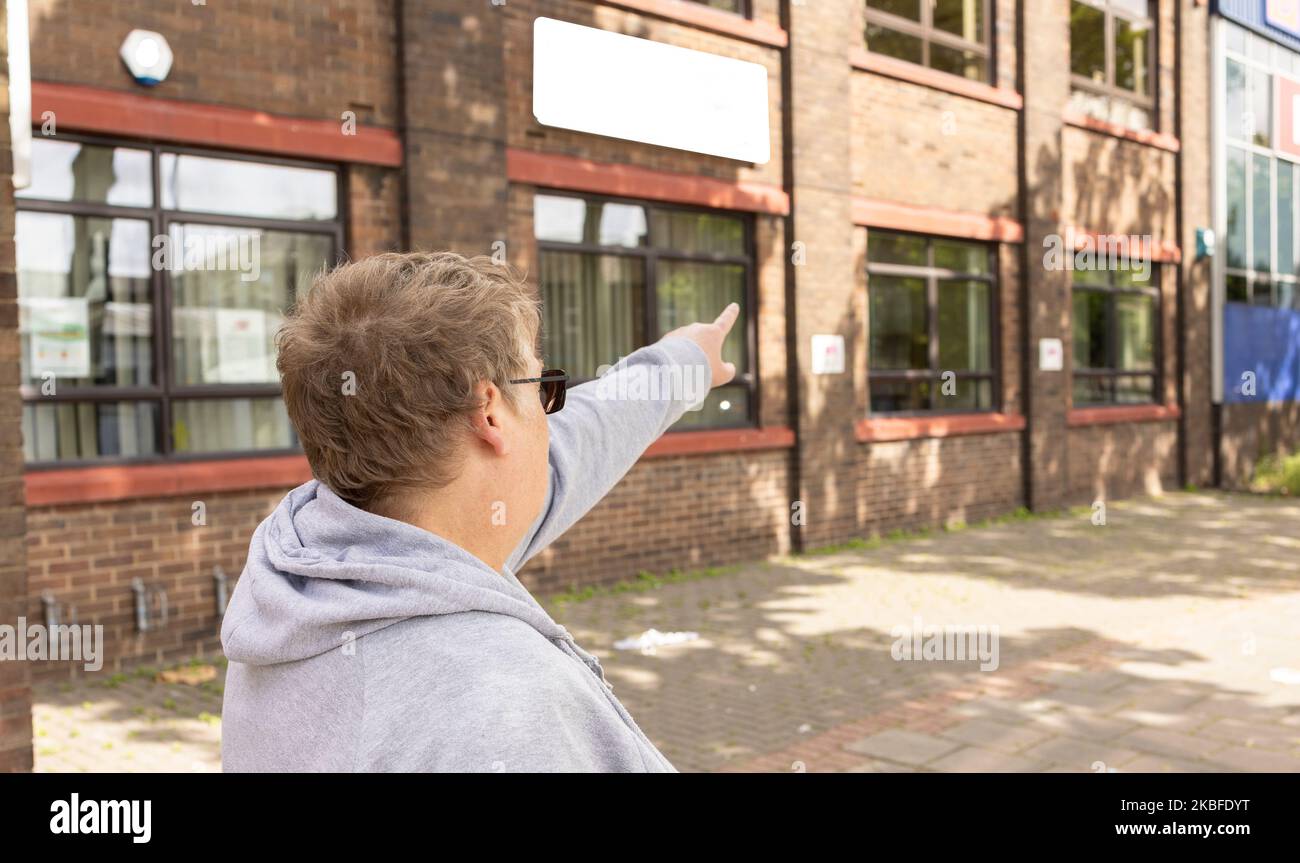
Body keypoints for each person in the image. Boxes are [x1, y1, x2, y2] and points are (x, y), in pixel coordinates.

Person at [220, 251, 738, 772]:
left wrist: (682, 363)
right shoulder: (506, 707)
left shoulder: (309, 581)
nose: (549, 419)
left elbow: (567, 455)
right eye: (543, 388)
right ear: (490, 412)